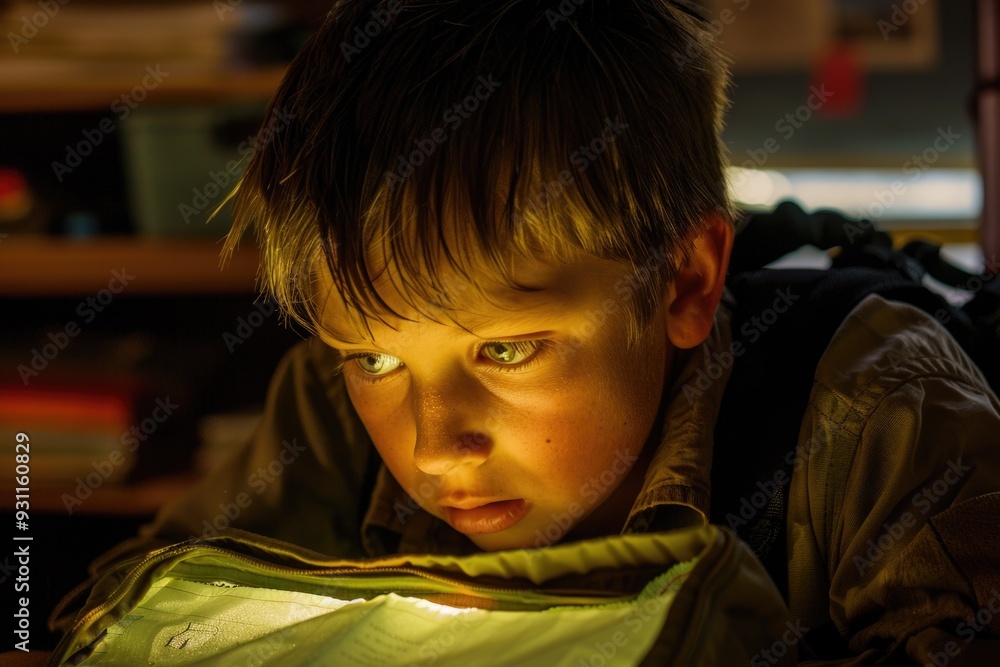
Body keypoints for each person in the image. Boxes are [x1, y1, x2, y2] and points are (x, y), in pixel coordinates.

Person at [52, 0, 1000, 663]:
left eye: (505, 349)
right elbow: (120, 611)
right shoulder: (330, 407)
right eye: (376, 357)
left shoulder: (874, 400)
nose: (433, 443)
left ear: (686, 281)